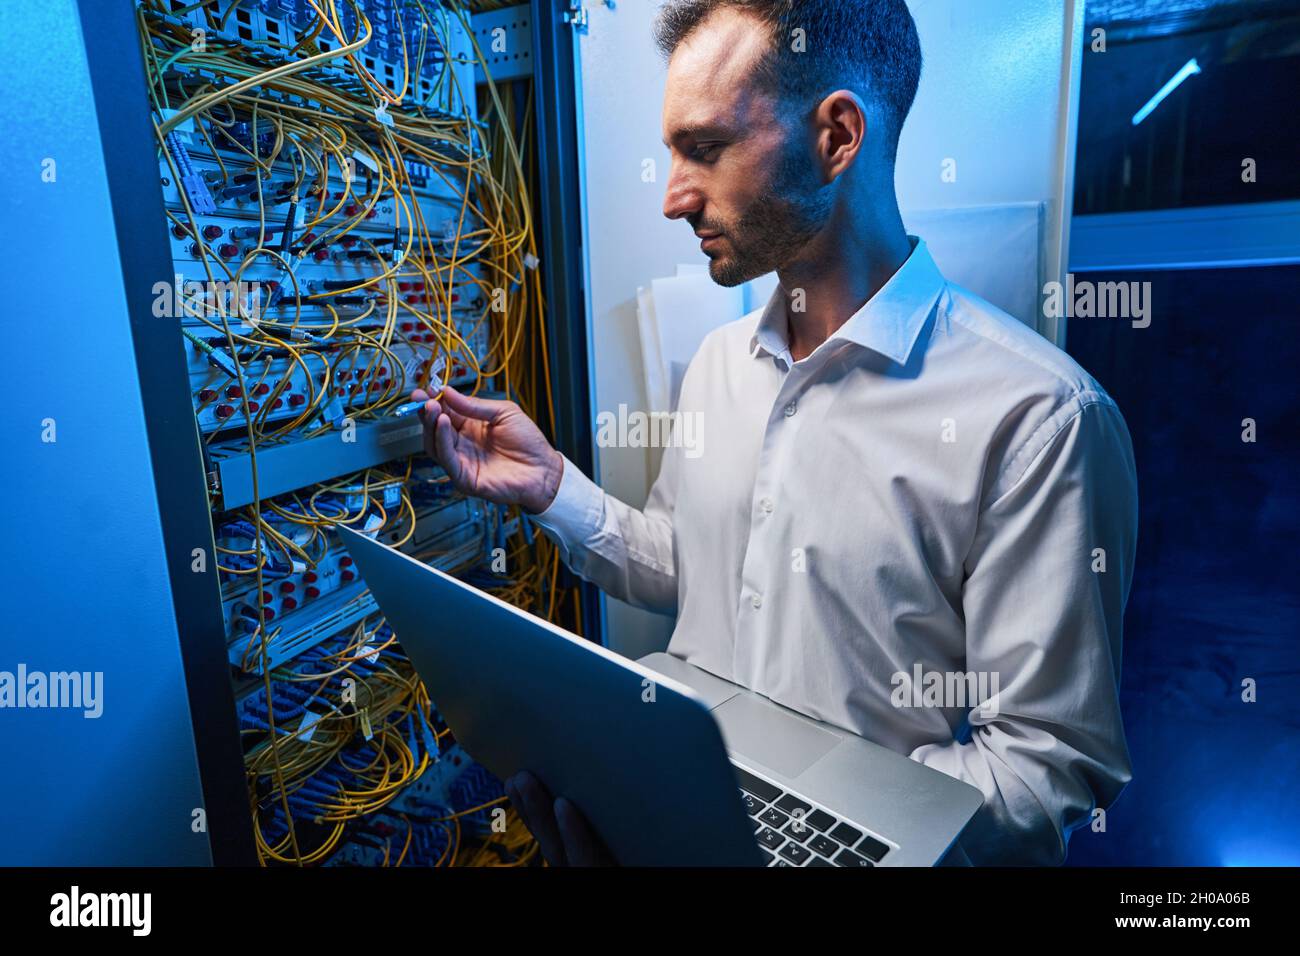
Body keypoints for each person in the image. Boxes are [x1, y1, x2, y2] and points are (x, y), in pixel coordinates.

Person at [413, 0, 1137, 866]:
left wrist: (805, 838)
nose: (676, 197)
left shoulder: (1038, 418)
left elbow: (1043, 766)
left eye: (705, 149)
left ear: (836, 136)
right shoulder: (721, 360)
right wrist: (553, 489)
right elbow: (692, 567)